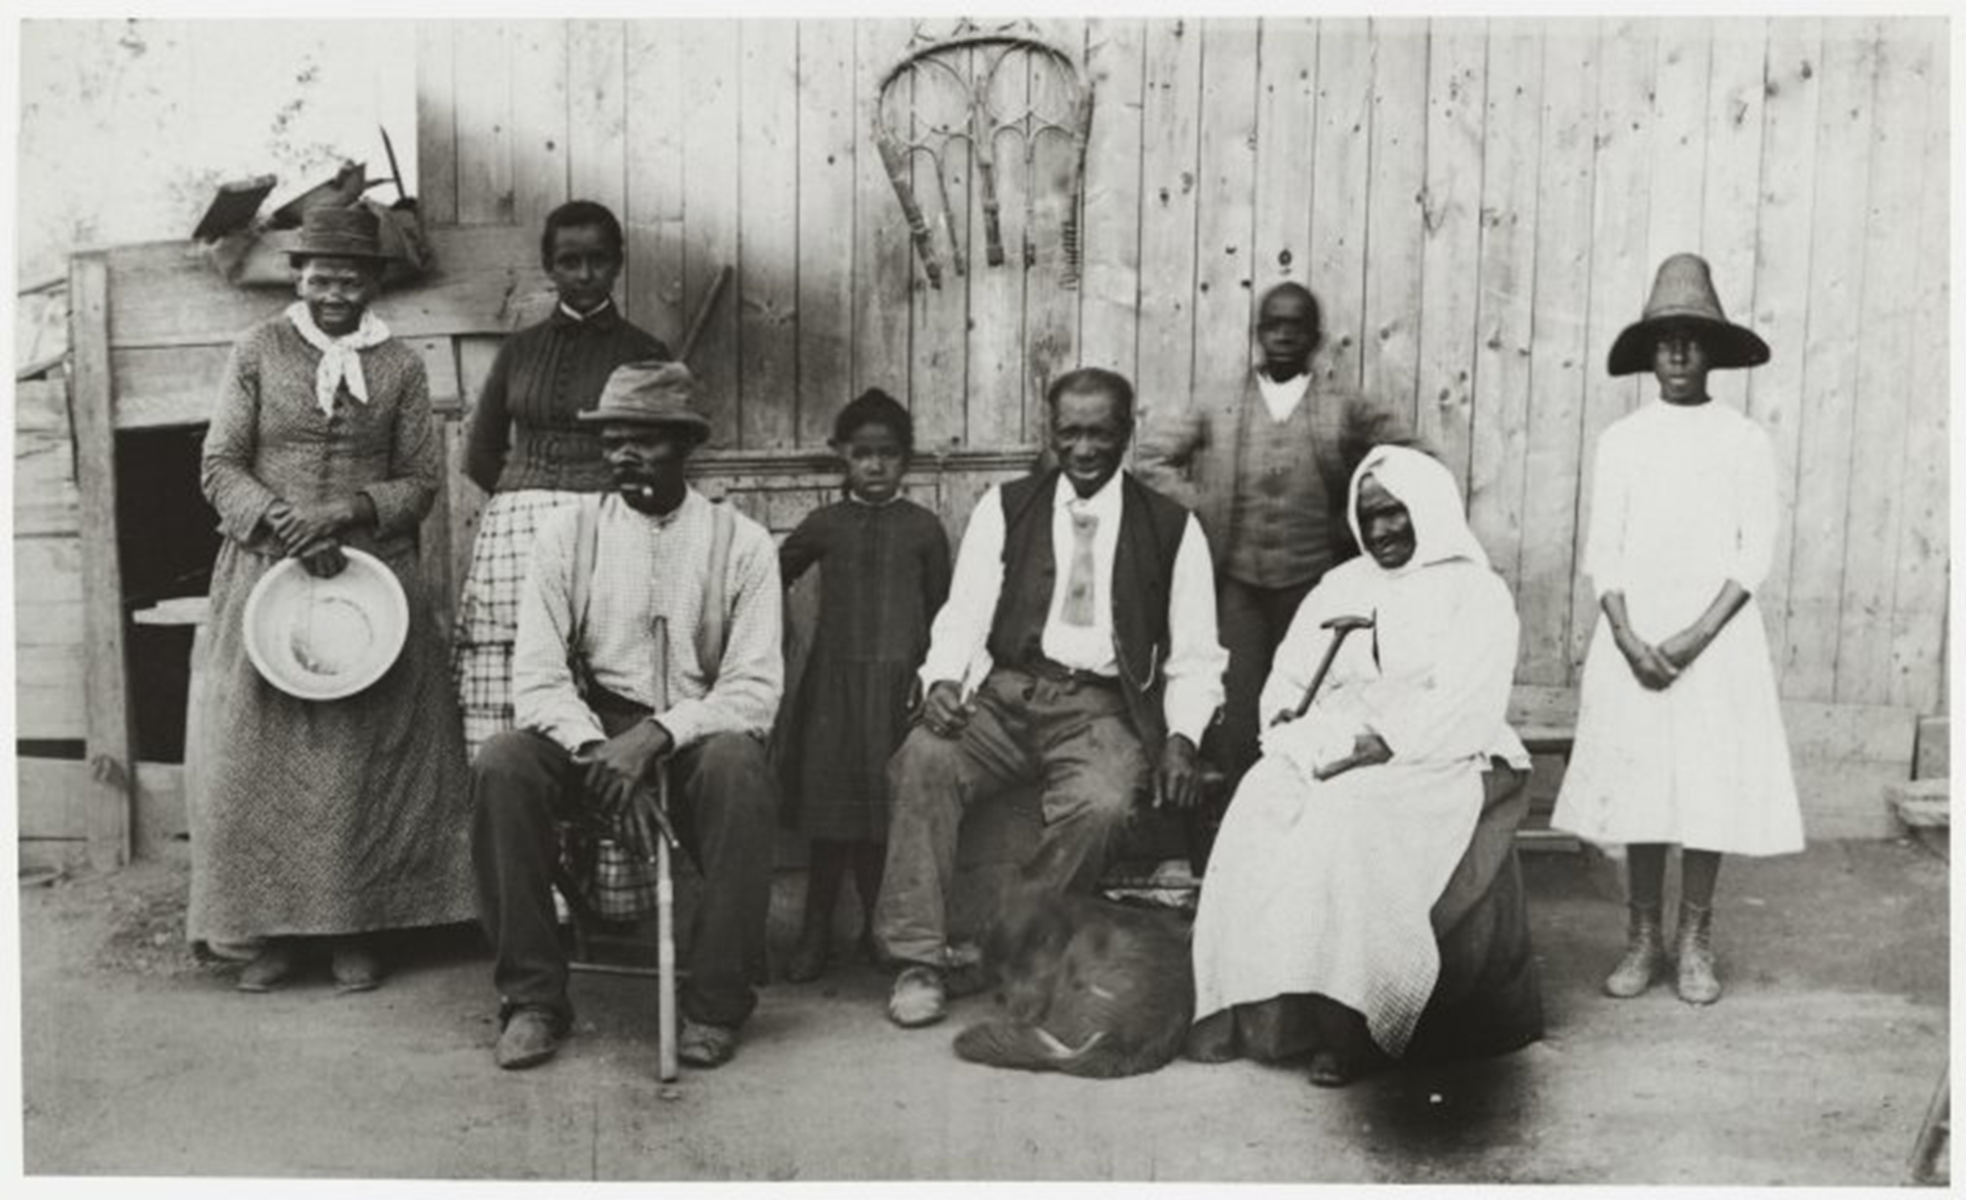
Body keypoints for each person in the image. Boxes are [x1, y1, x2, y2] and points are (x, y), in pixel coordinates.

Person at [878, 367, 1227, 1028]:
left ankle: (1009, 948)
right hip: (1006, 693)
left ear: (1127, 433)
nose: (1086, 449)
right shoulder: (1006, 506)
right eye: (1071, 433)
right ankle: (916, 959)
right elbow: (963, 614)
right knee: (922, 758)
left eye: (1101, 433)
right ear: (1051, 432)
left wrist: (1182, 737)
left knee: (1102, 804)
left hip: (1099, 709)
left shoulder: (1173, 528)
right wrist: (943, 681)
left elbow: (1197, 653)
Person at [192, 205, 476, 993]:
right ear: (297, 274)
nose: (334, 290)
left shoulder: (401, 367)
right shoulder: (257, 350)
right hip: (267, 574)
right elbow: (221, 463)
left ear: (375, 280)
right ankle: (277, 936)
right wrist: (286, 524)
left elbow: (420, 480)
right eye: (320, 275)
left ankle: (358, 929)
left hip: (370, 583)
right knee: (265, 757)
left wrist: (346, 514)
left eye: (351, 276)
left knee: (362, 759)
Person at [1187, 445, 1535, 1087]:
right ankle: (1251, 1008)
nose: (1381, 531)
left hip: (1439, 747)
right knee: (1261, 797)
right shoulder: (1342, 586)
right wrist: (1286, 718)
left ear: (1427, 509)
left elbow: (1469, 698)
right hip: (1338, 736)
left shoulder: (1475, 591)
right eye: (1368, 516)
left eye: (1395, 513)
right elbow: (1292, 674)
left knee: (1349, 815)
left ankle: (1351, 1025)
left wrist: (1388, 742)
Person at [470, 360, 782, 1071]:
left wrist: (659, 735)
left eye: (644, 441)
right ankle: (533, 998)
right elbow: (540, 680)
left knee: (741, 769)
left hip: (695, 735)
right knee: (502, 765)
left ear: (685, 445)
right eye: (612, 441)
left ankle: (715, 1003)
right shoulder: (567, 536)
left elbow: (756, 689)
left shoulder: (744, 545)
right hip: (591, 735)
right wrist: (599, 751)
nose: (623, 457)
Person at [1551, 253, 1804, 1006]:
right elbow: (1606, 553)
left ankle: (1695, 939)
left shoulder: (1742, 440)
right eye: (1666, 340)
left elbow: (1750, 553)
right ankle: (1642, 938)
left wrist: (1695, 637)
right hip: (1637, 642)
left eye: (1694, 339)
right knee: (1643, 785)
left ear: (1714, 352)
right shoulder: (1623, 441)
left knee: (1704, 782)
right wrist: (1629, 639)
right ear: (1649, 354)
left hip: (1714, 643)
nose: (1680, 353)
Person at [1136, 283, 1416, 796]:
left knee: (1314, 697)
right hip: (1238, 581)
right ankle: (1243, 812)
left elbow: (1412, 458)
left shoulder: (1343, 405)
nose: (1284, 335)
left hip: (1312, 582)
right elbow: (1151, 458)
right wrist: (1200, 508)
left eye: (1296, 326)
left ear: (1315, 337)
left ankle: (1309, 812)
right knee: (1238, 706)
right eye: (1273, 325)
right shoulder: (1218, 402)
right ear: (1258, 334)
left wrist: (1356, 513)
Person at [453, 200, 672, 761]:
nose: (583, 274)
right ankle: (519, 806)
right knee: (519, 668)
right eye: (568, 261)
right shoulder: (520, 351)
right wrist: (524, 500)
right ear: (549, 267)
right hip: (517, 537)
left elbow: (664, 456)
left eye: (597, 260)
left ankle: (611, 834)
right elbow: (479, 454)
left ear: (618, 263)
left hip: (612, 527)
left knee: (608, 669)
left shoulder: (645, 353)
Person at [776, 390, 952, 983]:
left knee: (885, 817)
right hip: (833, 691)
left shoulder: (924, 529)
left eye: (889, 455)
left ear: (907, 460)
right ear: (842, 457)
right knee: (831, 818)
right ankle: (815, 931)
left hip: (898, 689)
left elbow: (946, 613)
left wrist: (932, 680)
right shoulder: (826, 523)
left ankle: (882, 932)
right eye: (863, 455)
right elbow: (767, 574)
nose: (875, 467)